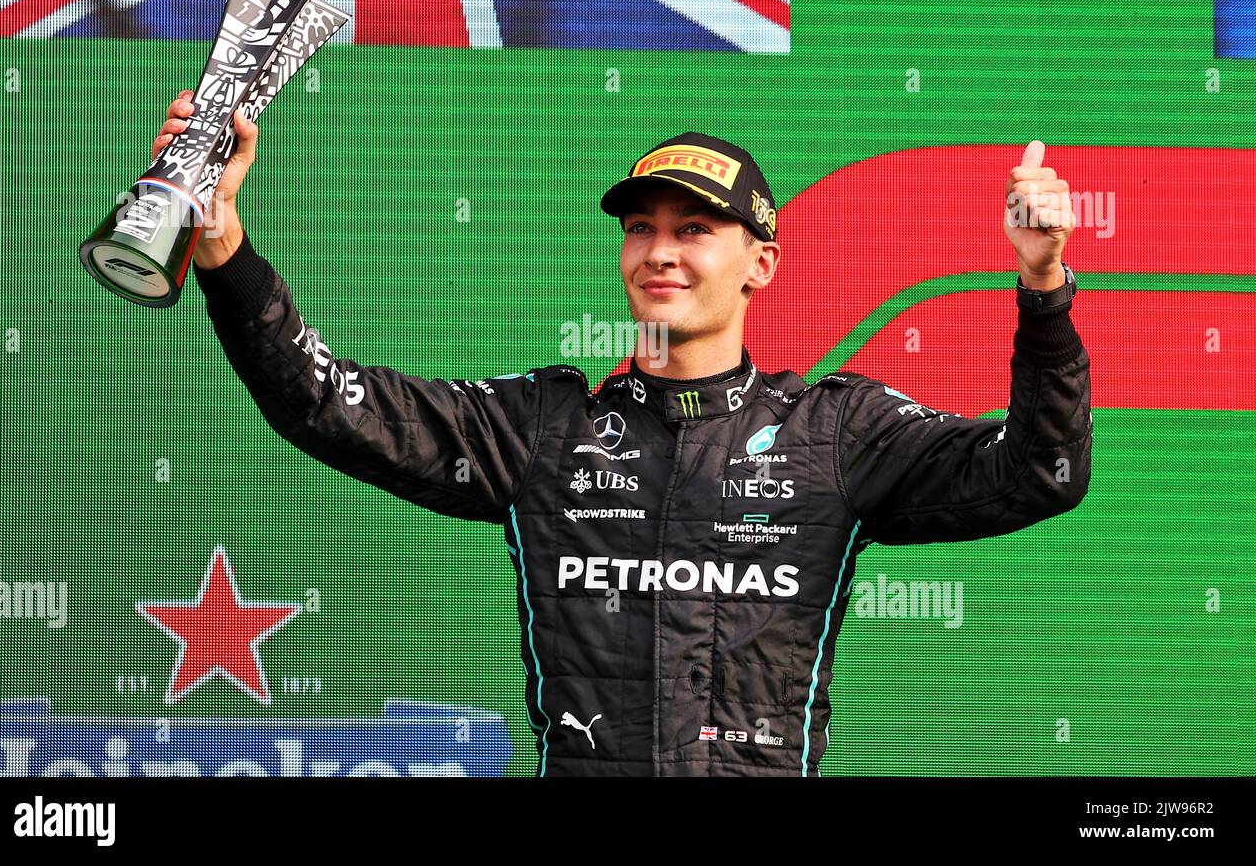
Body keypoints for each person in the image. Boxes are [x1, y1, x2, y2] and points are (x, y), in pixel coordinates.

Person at [157, 93, 1092, 776]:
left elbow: (1040, 471)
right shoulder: (543, 427)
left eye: (695, 229)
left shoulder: (834, 429)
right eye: (641, 227)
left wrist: (1043, 289)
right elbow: (331, 404)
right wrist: (225, 250)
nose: (660, 251)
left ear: (761, 262)